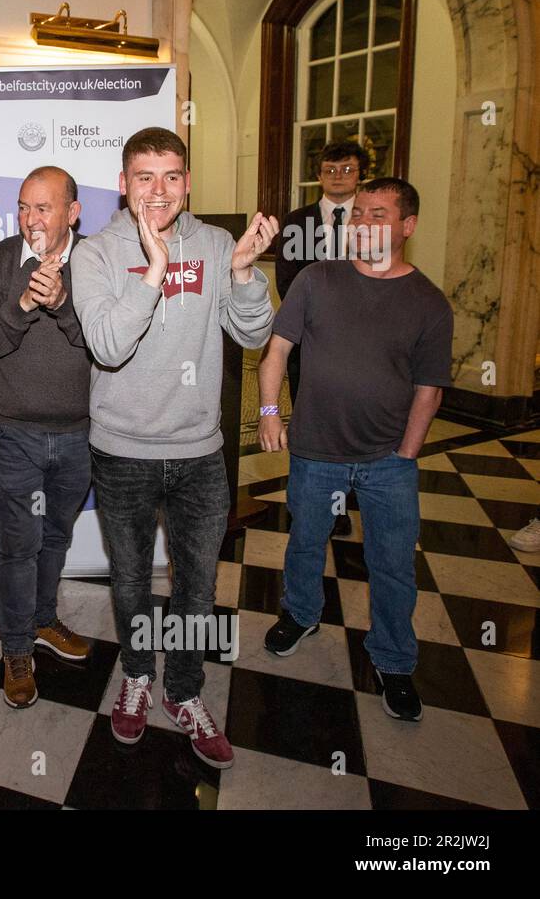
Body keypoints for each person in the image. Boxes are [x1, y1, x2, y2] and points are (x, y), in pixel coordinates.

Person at [71, 127, 277, 769]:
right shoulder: (96, 254)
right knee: (131, 581)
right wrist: (154, 272)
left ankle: (183, 691)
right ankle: (136, 675)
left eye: (171, 176)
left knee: (196, 585)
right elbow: (107, 345)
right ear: (124, 183)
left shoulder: (216, 246)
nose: (158, 190)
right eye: (144, 177)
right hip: (122, 451)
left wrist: (243, 275)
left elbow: (251, 333)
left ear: (187, 183)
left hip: (199, 455)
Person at [258, 178, 453, 722]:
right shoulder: (316, 280)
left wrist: (405, 455)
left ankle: (393, 659)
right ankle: (301, 614)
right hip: (315, 451)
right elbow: (276, 353)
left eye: (378, 215)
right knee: (304, 542)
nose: (363, 224)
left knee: (392, 564)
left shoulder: (429, 303)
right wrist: (271, 411)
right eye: (359, 214)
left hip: (389, 461)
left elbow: (429, 390)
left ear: (407, 227)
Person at [0, 166, 93, 709]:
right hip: (12, 432)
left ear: (73, 212)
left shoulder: (96, 261)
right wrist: (21, 307)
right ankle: (16, 647)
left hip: (81, 434)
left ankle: (43, 620)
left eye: (44, 207)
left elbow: (106, 345)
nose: (30, 218)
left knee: (56, 538)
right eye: (24, 206)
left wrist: (61, 303)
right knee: (19, 545)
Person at [270, 140, 369, 538]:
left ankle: (345, 499)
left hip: (364, 344)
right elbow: (287, 283)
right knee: (310, 423)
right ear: (319, 174)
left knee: (353, 423)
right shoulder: (298, 222)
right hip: (309, 342)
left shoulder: (371, 218)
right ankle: (307, 500)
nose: (338, 176)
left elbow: (382, 277)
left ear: (360, 173)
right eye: (330, 170)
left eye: (347, 169)